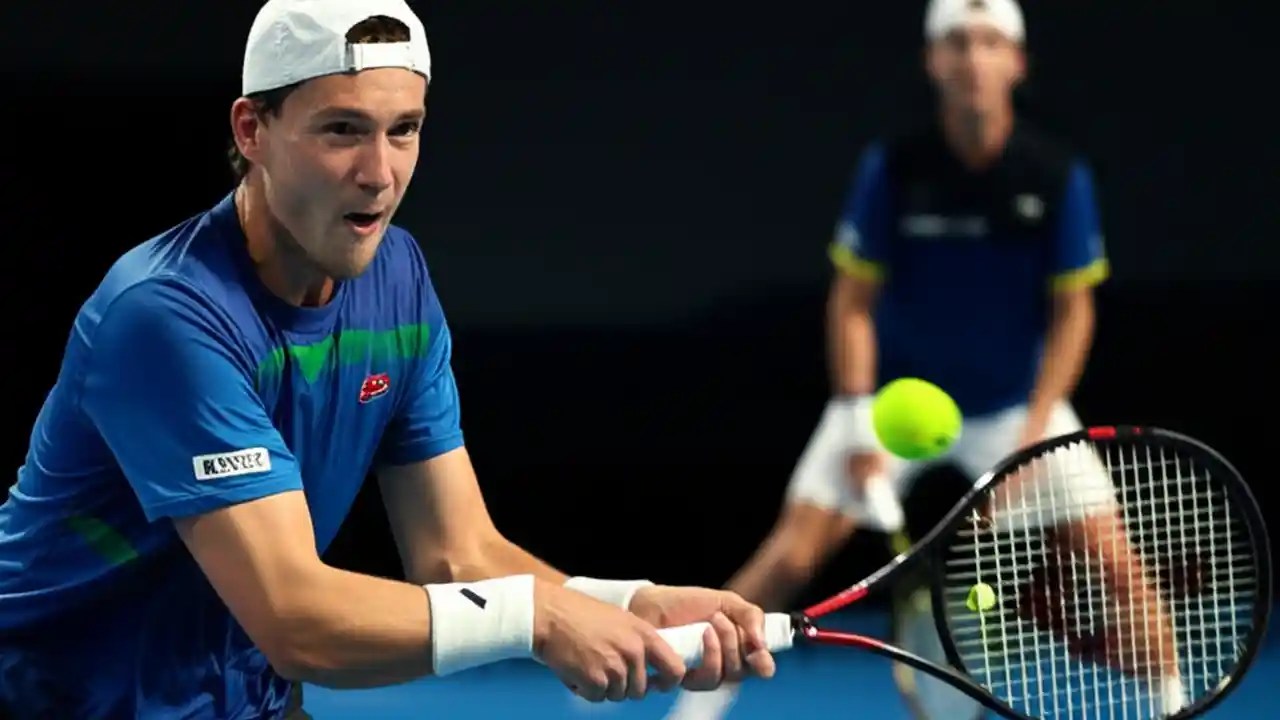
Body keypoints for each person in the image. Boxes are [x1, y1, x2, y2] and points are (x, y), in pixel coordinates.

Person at [0, 1, 777, 718]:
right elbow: (298, 620)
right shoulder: (166, 314)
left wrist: (627, 604)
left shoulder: (397, 279)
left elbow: (455, 553)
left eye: (404, 129)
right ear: (251, 131)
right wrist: (539, 619)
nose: (380, 172)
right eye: (342, 130)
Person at [664, 1, 1183, 717]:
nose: (974, 58)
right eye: (958, 43)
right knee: (787, 561)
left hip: (1015, 409)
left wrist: (1035, 434)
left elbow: (1074, 314)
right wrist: (854, 419)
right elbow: (851, 303)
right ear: (933, 62)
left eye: (990, 42)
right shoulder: (894, 170)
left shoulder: (1058, 176)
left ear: (1016, 62)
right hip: (891, 406)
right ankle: (692, 710)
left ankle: (1174, 699)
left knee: (1116, 566)